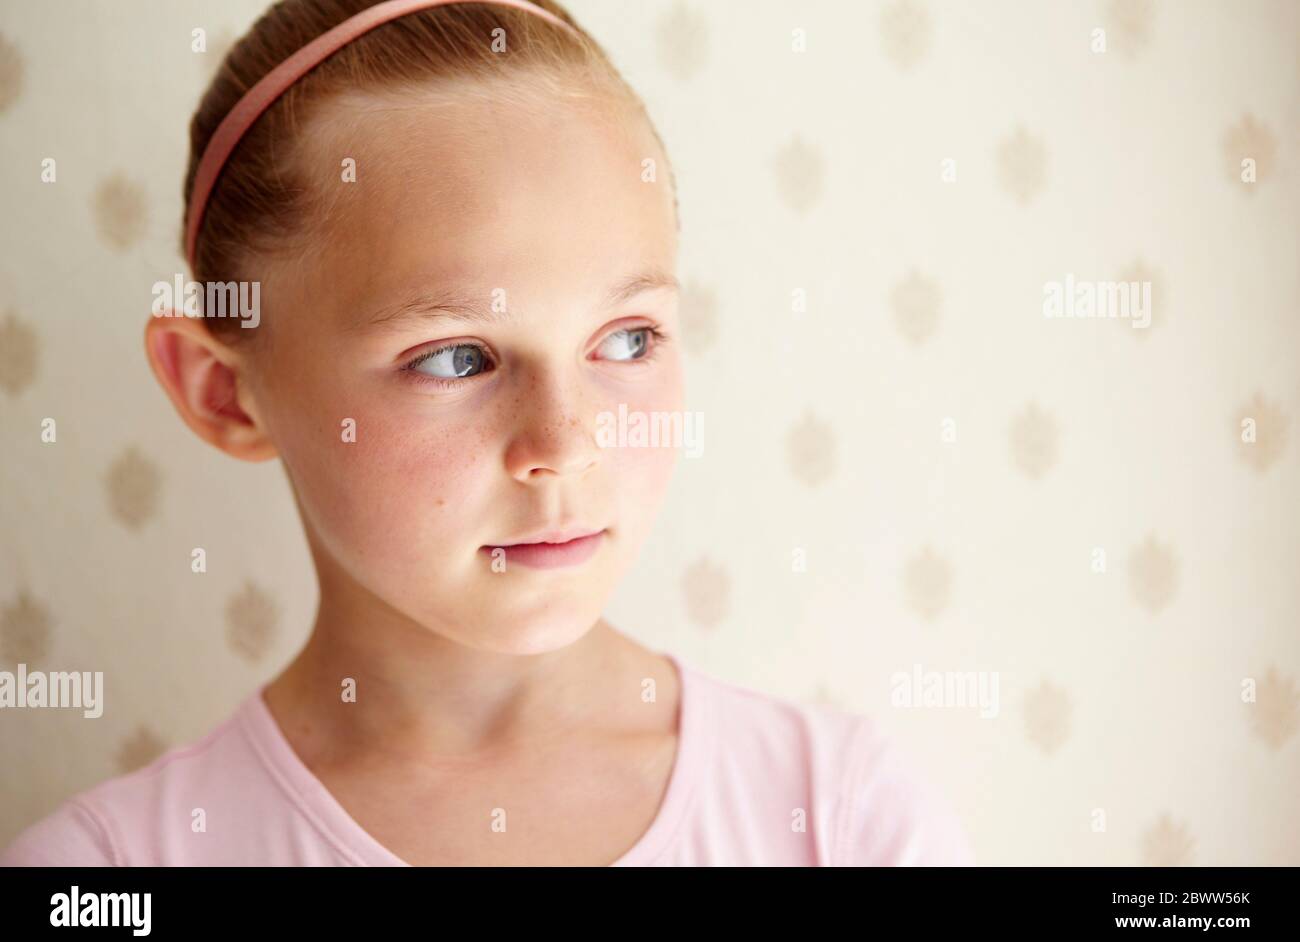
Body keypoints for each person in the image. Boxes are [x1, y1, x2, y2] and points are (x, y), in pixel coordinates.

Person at [1, 0, 974, 866]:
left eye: (627, 339)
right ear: (224, 391)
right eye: (456, 358)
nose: (563, 441)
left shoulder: (842, 818)